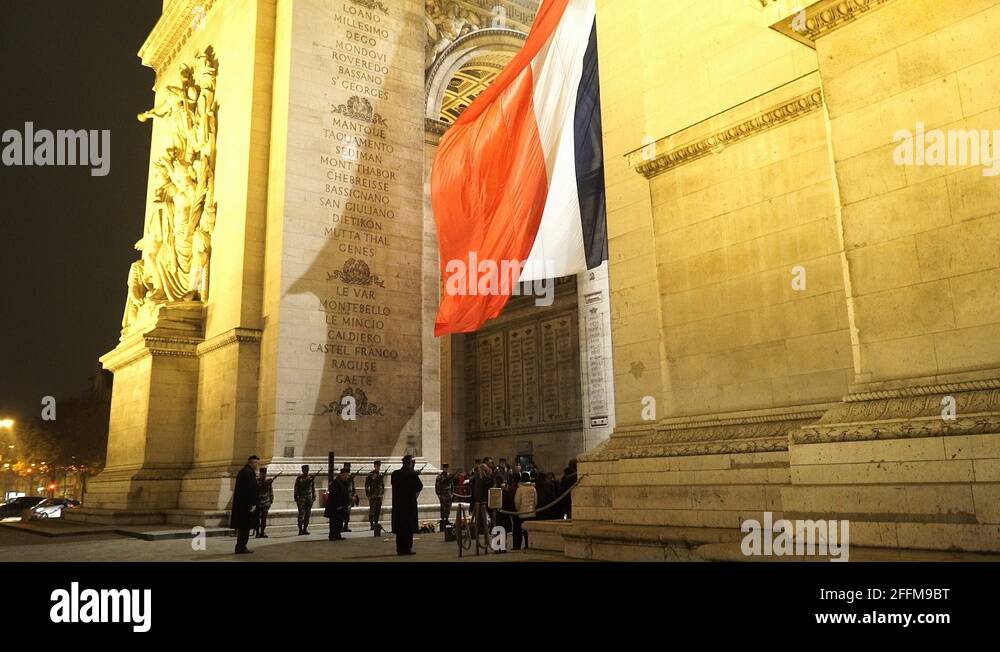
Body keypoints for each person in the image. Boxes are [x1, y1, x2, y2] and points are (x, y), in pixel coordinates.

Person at [390, 455, 423, 555]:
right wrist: (414, 473)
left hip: (398, 506)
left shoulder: (395, 474)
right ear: (410, 463)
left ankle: (399, 549)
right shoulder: (412, 474)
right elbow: (419, 486)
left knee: (400, 529)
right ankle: (407, 549)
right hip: (409, 506)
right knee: (408, 529)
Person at [230, 455, 260, 554]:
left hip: (242, 506)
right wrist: (253, 504)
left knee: (243, 527)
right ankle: (241, 547)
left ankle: (240, 546)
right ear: (250, 463)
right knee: (245, 527)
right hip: (246, 506)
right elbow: (250, 490)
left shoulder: (244, 472)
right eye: (255, 463)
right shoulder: (248, 473)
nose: (257, 465)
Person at [325, 467, 351, 541]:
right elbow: (335, 495)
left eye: (347, 475)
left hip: (341, 506)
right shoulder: (336, 482)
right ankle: (332, 535)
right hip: (335, 506)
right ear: (342, 475)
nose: (347, 477)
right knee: (334, 521)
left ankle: (338, 534)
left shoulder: (343, 482)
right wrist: (339, 505)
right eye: (346, 475)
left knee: (339, 521)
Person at [513, 472, 536, 550]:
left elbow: (517, 501)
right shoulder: (533, 488)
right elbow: (536, 502)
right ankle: (528, 544)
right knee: (529, 531)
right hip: (531, 512)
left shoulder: (520, 489)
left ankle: (522, 545)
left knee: (522, 530)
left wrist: (518, 510)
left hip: (522, 513)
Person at [255, 467, 280, 538]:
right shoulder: (257, 481)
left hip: (266, 502)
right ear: (260, 474)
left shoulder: (268, 481)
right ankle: (257, 532)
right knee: (257, 519)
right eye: (262, 473)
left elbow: (270, 491)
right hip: (258, 502)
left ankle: (262, 532)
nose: (263, 475)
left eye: (264, 474)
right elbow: (257, 488)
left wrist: (271, 500)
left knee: (264, 518)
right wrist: (265, 483)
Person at [293, 464, 319, 535]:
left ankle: (305, 529)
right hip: (301, 499)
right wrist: (296, 497)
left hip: (309, 498)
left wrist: (314, 496)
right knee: (301, 514)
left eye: (307, 470)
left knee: (308, 514)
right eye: (305, 470)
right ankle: (300, 529)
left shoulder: (310, 478)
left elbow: (313, 488)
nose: (306, 472)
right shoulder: (300, 478)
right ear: (302, 470)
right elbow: (297, 488)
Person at [365, 461, 388, 533]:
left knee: (378, 510)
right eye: (377, 466)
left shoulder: (380, 475)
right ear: (374, 466)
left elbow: (382, 484)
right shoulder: (370, 475)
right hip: (373, 495)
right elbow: (367, 486)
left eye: (379, 466)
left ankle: (376, 523)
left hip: (379, 495)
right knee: (372, 509)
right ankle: (371, 523)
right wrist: (368, 494)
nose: (378, 467)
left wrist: (382, 492)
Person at [434, 464, 456, 529]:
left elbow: (452, 485)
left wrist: (452, 493)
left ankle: (447, 519)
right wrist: (438, 495)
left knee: (448, 508)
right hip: (443, 495)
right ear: (443, 468)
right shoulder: (439, 477)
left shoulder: (449, 476)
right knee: (443, 508)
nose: (445, 469)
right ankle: (443, 520)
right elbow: (437, 486)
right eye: (444, 467)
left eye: (446, 468)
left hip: (448, 495)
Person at [342, 462, 358, 533]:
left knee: (348, 512)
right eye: (347, 467)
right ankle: (341, 526)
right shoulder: (342, 476)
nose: (348, 468)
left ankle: (346, 525)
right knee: (343, 512)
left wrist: (354, 494)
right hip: (344, 497)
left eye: (349, 467)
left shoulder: (350, 477)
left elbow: (353, 486)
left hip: (350, 496)